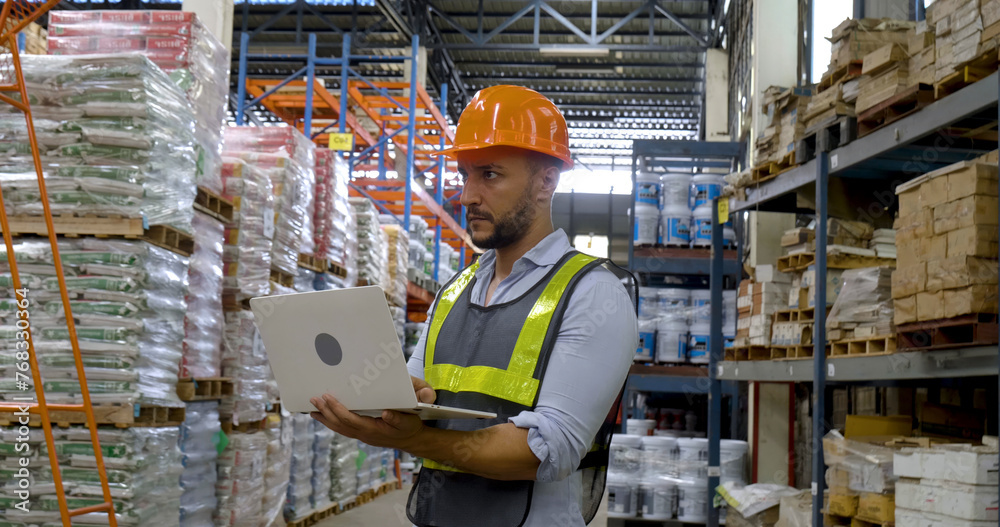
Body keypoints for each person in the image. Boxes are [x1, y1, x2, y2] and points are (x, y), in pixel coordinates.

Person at [310, 85, 638, 527]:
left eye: (490, 174)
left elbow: (547, 450)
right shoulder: (453, 292)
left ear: (546, 182)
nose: (467, 195)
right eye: (465, 175)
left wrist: (413, 439)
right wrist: (391, 404)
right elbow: (412, 392)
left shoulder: (594, 294)